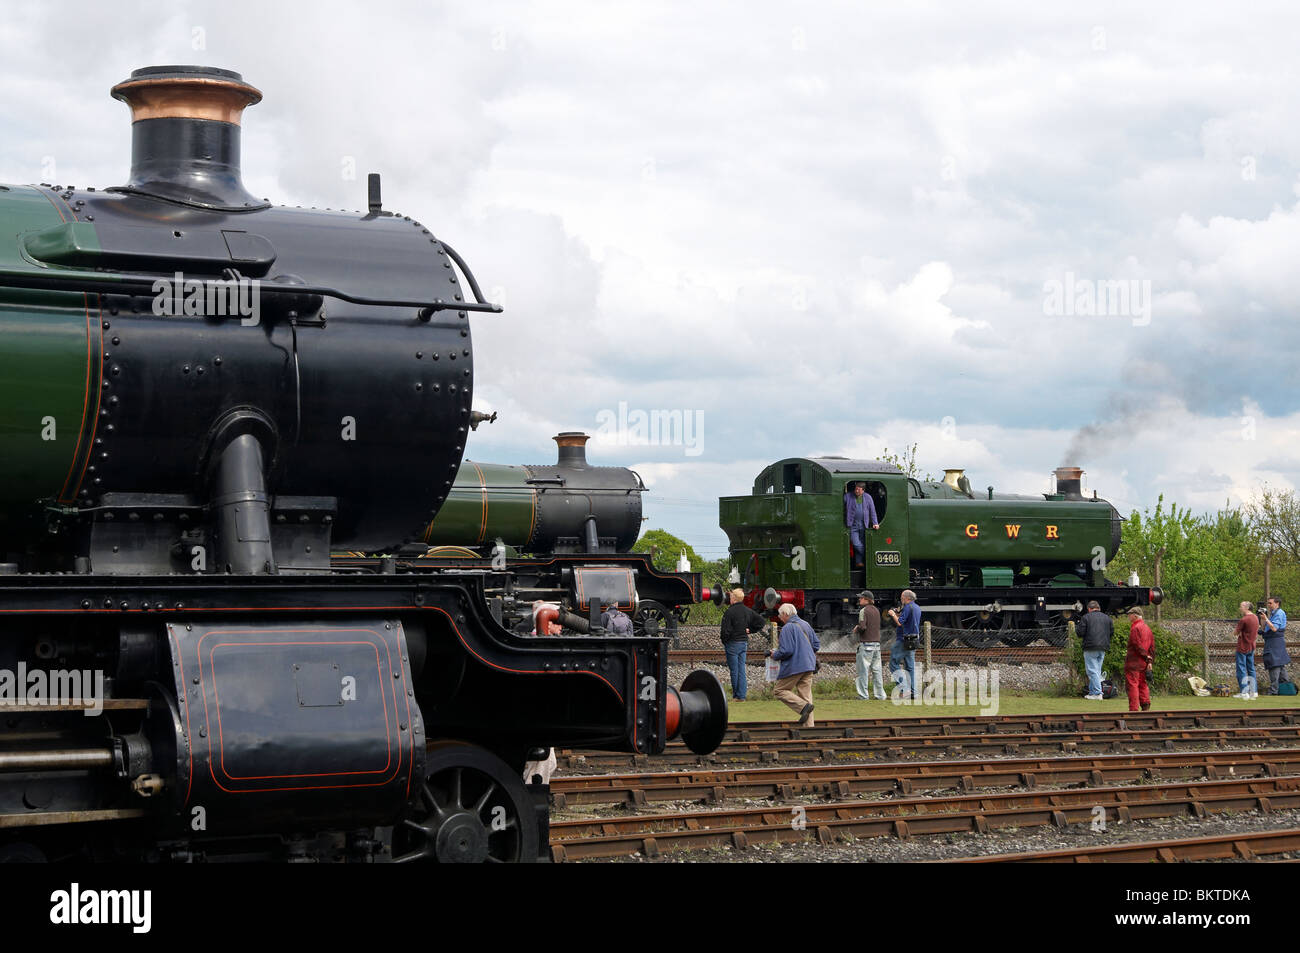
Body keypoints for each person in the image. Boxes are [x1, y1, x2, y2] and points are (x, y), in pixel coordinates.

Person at [768, 603, 819, 726]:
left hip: (795, 666)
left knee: (779, 690)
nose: (780, 618)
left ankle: (802, 707)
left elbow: (787, 650)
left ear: (786, 614)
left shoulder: (787, 628)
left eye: (780, 615)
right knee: (806, 695)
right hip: (809, 665)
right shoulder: (805, 624)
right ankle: (809, 727)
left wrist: (774, 655)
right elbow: (816, 645)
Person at [719, 588, 768, 702]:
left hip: (732, 643)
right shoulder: (747, 610)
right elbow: (761, 622)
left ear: (734, 598)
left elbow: (725, 631)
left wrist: (725, 641)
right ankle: (742, 695)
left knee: (734, 670)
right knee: (741, 669)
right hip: (743, 642)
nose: (729, 599)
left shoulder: (729, 612)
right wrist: (750, 630)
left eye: (731, 597)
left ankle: (737, 695)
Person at [885, 589, 920, 699]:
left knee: (893, 663)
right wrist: (899, 612)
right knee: (910, 667)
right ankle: (914, 692)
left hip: (904, 639)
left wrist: (892, 614)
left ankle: (904, 690)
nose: (901, 599)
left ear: (906, 598)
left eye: (902, 597)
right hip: (914, 639)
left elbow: (900, 622)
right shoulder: (916, 607)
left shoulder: (908, 607)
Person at [1075, 600, 1113, 700]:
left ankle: (1097, 693)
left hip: (1090, 646)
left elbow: (1080, 633)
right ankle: (1092, 692)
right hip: (1103, 647)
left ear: (1089, 609)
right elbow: (1111, 632)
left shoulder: (1086, 617)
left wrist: (1078, 626)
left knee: (1092, 671)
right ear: (1099, 608)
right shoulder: (1107, 618)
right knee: (1097, 671)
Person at [854, 590, 886, 700]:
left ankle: (863, 695)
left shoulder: (863, 611)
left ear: (867, 599)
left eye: (861, 598)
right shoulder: (877, 610)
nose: (859, 599)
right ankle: (880, 695)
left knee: (862, 671)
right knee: (877, 671)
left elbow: (863, 627)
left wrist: (856, 628)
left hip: (866, 644)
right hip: (877, 645)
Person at [1123, 606, 1154, 712]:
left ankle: (1134, 709)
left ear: (1135, 615)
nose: (1128, 616)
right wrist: (1149, 660)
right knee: (1142, 684)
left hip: (1134, 661)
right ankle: (1145, 705)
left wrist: (1145, 656)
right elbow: (1152, 647)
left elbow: (1137, 645)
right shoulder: (1147, 628)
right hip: (1143, 663)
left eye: (1130, 614)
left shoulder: (1135, 628)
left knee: (1133, 685)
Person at [844, 482, 879, 568]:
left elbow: (872, 511)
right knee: (856, 543)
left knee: (862, 542)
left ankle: (859, 562)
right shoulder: (848, 496)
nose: (856, 491)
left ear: (863, 490)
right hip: (853, 524)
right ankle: (869, 555)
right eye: (856, 489)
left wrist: (875, 523)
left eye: (858, 489)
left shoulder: (868, 497)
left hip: (864, 524)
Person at [1259, 596, 1290, 694]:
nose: (1268, 605)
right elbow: (1264, 628)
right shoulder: (1272, 614)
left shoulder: (1279, 613)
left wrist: (1266, 619)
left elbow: (1274, 628)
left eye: (1270, 603)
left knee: (1274, 664)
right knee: (1280, 665)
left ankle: (1273, 690)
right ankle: (1286, 688)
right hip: (1272, 641)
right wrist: (1263, 618)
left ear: (1277, 603)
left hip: (1275, 641)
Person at [1234, 601, 1259, 699]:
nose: (1240, 608)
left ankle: (1244, 692)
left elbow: (1236, 632)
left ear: (1247, 607)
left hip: (1243, 646)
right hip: (1252, 646)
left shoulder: (1244, 619)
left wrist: (1236, 633)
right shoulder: (1255, 618)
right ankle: (1254, 691)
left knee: (1241, 669)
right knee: (1251, 668)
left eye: (1241, 606)